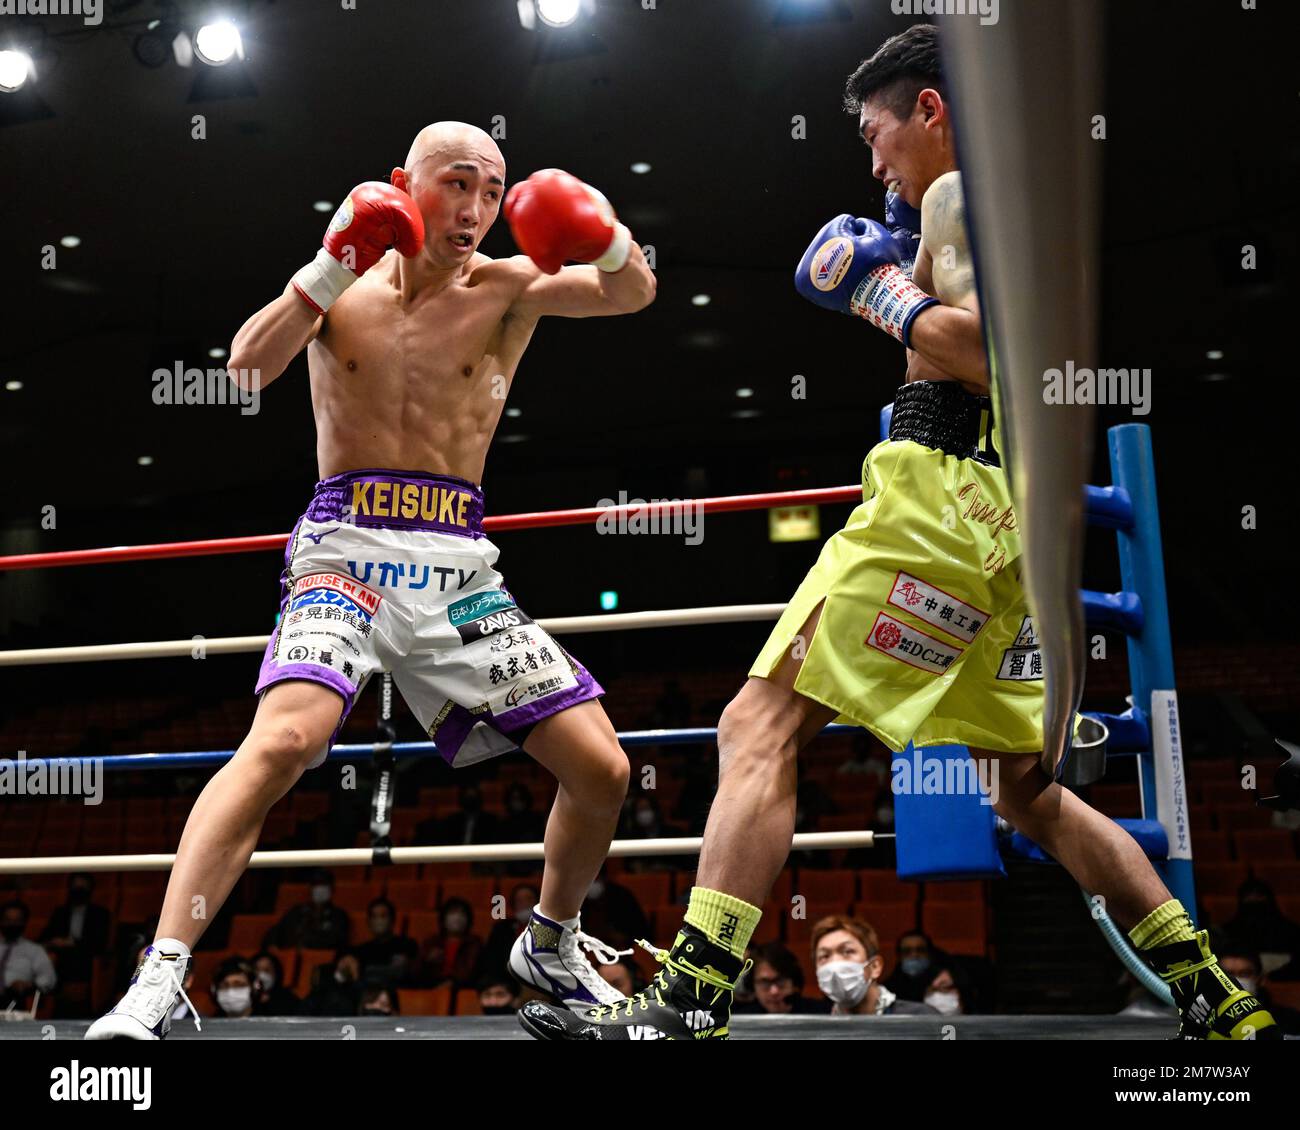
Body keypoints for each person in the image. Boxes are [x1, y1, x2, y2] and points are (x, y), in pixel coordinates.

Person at [519, 25, 1276, 1041]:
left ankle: (691, 998)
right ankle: (1215, 994)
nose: (872, 162)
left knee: (757, 724)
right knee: (1026, 790)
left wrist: (875, 288)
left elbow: (991, 358)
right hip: (1004, 528)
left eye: (878, 134)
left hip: (934, 500)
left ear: (931, 110)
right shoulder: (1010, 215)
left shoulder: (962, 196)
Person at [87, 121, 655, 1040]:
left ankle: (549, 941)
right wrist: (325, 264)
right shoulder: (340, 286)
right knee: (283, 743)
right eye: (456, 185)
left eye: (492, 190)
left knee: (602, 768)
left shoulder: (509, 287)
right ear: (405, 183)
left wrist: (604, 233)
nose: (474, 210)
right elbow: (244, 369)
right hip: (345, 549)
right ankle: (159, 977)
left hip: (458, 561)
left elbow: (631, 293)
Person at [811, 917, 935, 1017]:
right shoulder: (813, 1030)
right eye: (824, 956)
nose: (834, 963)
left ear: (875, 967)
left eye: (847, 951)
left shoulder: (921, 1018)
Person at [264, 868, 350, 951]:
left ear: (332, 889)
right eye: (316, 885)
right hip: (292, 958)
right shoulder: (296, 912)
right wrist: (273, 944)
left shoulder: (339, 916)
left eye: (324, 885)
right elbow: (276, 932)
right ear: (311, 888)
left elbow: (338, 942)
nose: (320, 889)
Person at [736, 942, 830, 1015]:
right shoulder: (738, 1020)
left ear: (794, 982)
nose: (774, 991)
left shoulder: (822, 1013)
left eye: (780, 981)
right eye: (765, 983)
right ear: (752, 985)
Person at [0, 900, 57, 1011]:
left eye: (17, 920)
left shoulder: (34, 950)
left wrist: (30, 985)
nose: (12, 924)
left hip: (15, 1000)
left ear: (24, 922)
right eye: (8, 920)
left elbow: (48, 977)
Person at [352, 897, 419, 987]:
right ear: (369, 923)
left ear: (392, 920)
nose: (378, 921)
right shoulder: (362, 950)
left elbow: (403, 974)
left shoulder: (407, 944)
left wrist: (371, 971)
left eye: (383, 916)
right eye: (374, 917)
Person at [251, 951, 301, 1016]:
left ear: (276, 973)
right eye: (257, 970)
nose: (261, 975)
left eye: (267, 970)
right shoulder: (244, 997)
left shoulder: (288, 1000)